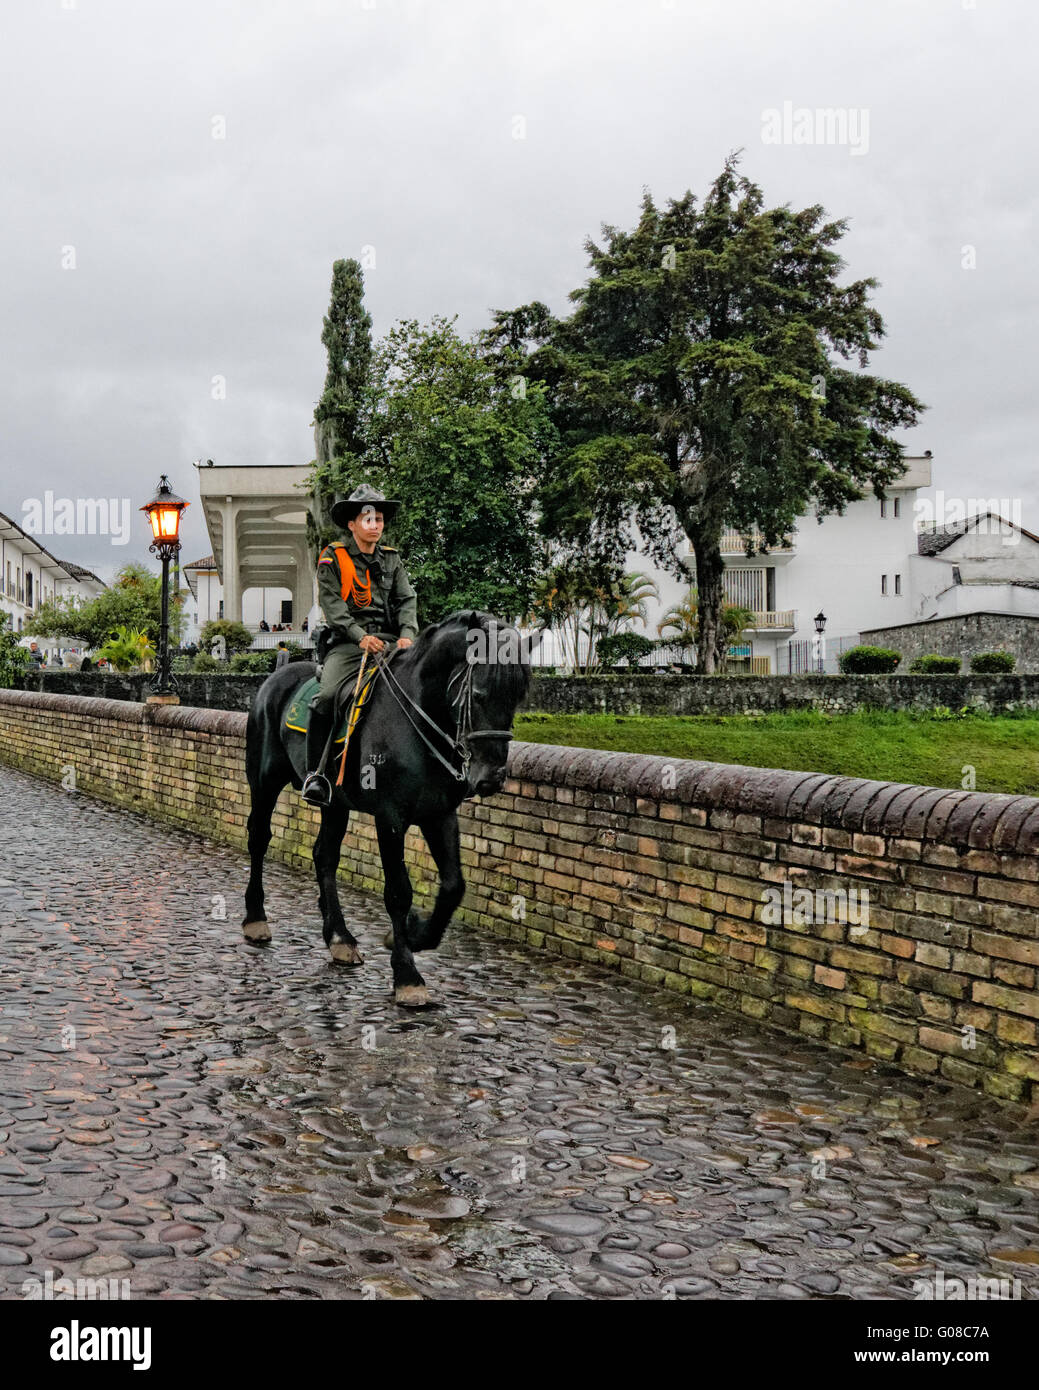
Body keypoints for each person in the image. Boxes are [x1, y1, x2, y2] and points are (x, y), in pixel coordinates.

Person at [301, 484, 418, 806]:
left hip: (393, 644)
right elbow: (333, 605)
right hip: (350, 645)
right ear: (352, 524)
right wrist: (359, 636)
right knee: (326, 697)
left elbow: (407, 599)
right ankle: (317, 774)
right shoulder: (333, 557)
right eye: (368, 519)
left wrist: (408, 633)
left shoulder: (392, 560)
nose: (375, 524)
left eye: (379, 518)